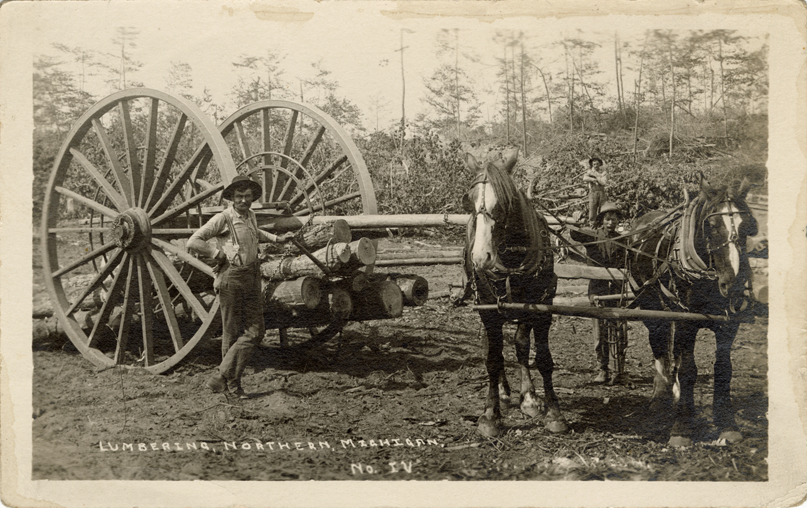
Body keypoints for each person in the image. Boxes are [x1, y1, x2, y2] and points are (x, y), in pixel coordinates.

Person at [188, 175, 295, 398]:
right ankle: (233, 385)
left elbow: (256, 233)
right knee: (231, 333)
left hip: (251, 277)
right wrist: (216, 253)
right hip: (231, 278)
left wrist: (277, 240)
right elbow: (194, 241)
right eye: (239, 196)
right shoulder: (223, 218)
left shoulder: (251, 216)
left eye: (247, 196)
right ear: (232, 198)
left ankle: (220, 375)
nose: (243, 200)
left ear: (252, 198)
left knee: (256, 331)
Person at [570, 202, 626, 384]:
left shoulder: (624, 240)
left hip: (617, 290)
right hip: (598, 290)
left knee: (619, 330)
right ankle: (603, 369)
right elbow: (573, 233)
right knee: (599, 330)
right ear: (602, 220)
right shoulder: (592, 236)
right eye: (608, 219)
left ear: (618, 221)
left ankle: (619, 370)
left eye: (614, 219)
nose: (611, 222)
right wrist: (576, 221)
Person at [582, 157, 607, 224]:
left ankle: (601, 223)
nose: (596, 166)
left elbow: (603, 182)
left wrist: (596, 177)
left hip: (601, 192)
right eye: (594, 164)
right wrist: (592, 179)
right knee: (592, 208)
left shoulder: (603, 172)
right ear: (592, 165)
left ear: (600, 164)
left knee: (602, 208)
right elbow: (584, 178)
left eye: (597, 164)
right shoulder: (590, 172)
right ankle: (592, 224)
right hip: (593, 192)